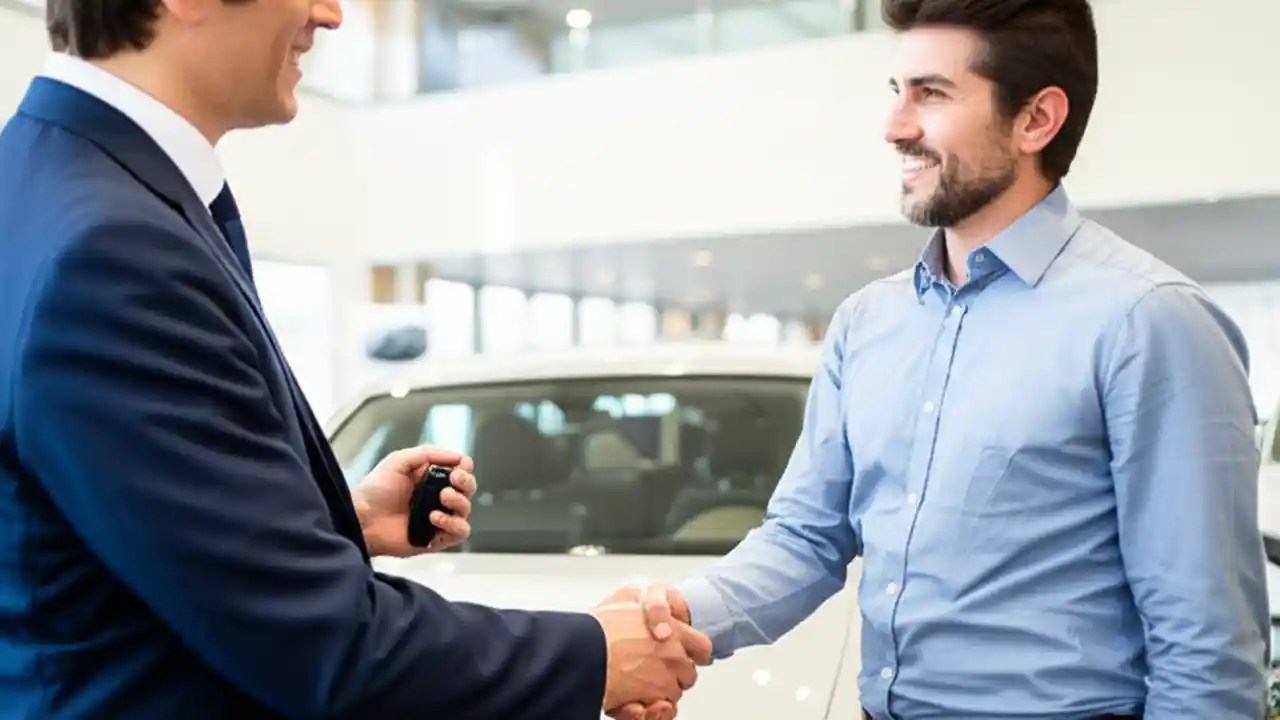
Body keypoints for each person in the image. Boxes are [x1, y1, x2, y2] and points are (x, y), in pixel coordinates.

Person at [0, 0, 709, 717]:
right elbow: (325, 647)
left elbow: (98, 532)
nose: (331, 14)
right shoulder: (115, 249)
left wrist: (338, 521)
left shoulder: (42, 185)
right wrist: (598, 654)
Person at [613, 1, 1271, 718]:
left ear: (1036, 120)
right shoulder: (868, 322)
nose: (895, 127)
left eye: (932, 94)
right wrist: (665, 619)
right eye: (897, 92)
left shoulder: (1150, 321)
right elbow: (806, 539)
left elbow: (1205, 650)